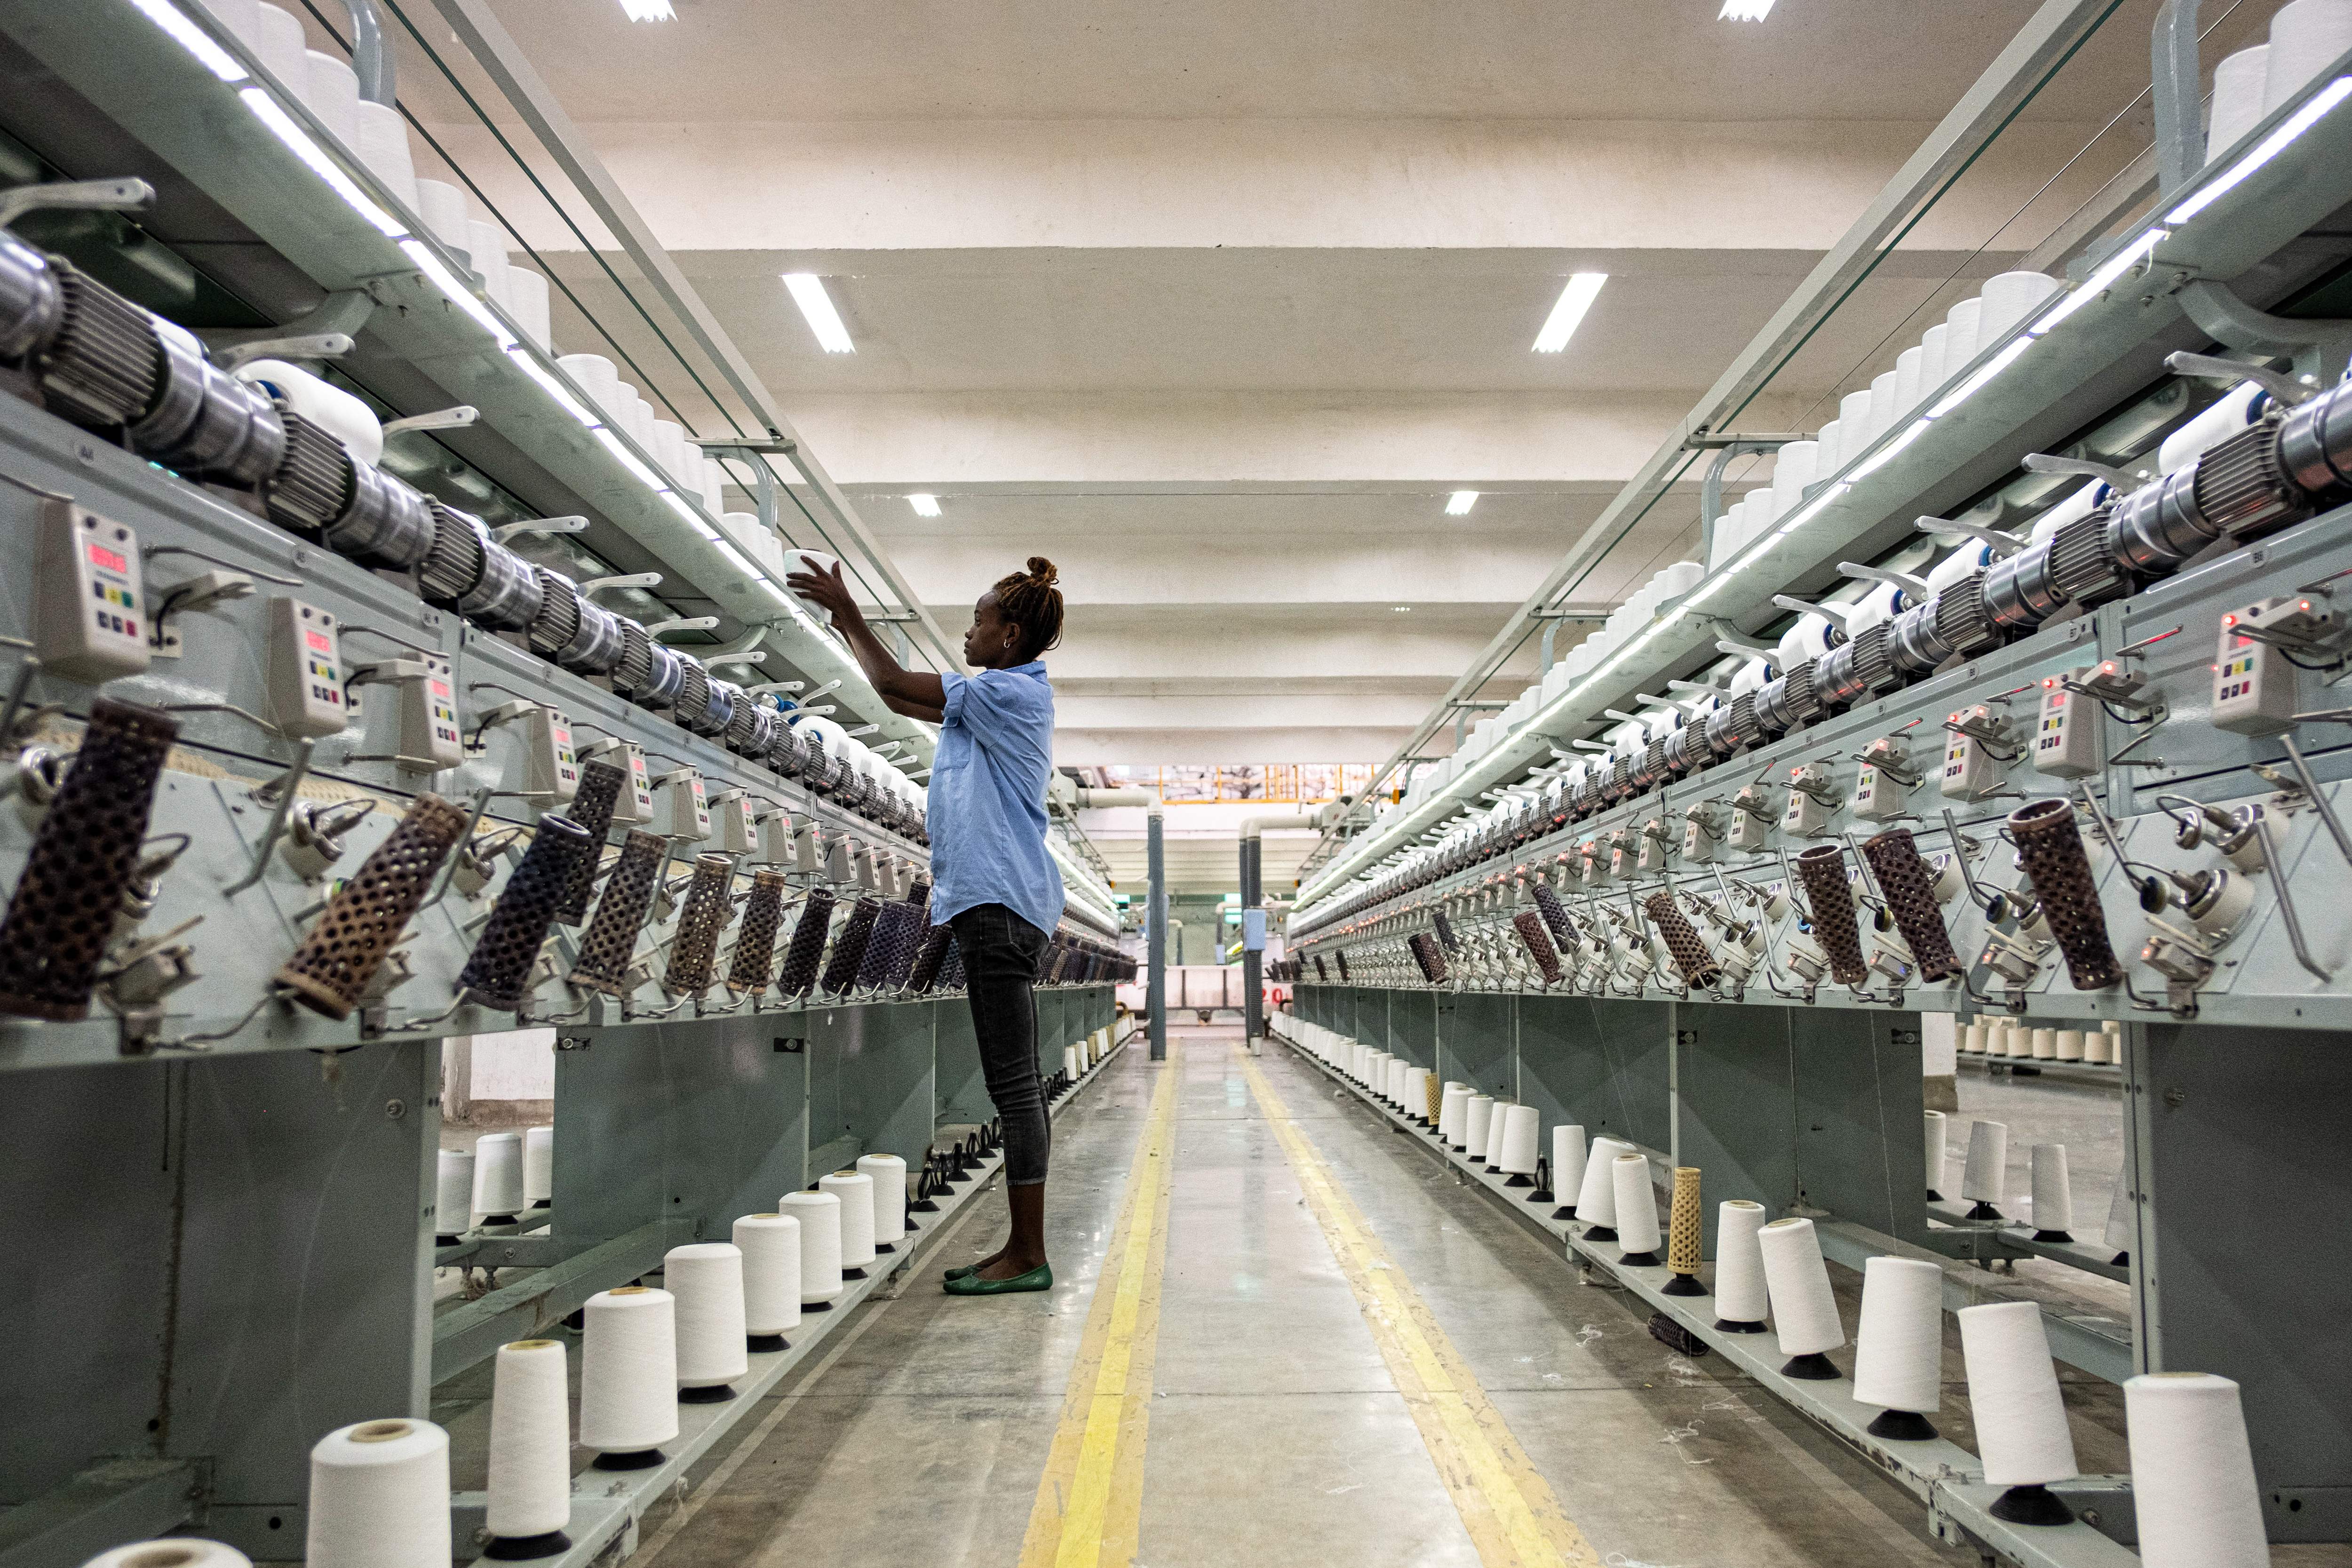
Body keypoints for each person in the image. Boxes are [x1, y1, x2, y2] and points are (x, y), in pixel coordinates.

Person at [787, 553, 1067, 1295]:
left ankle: (1027, 1252)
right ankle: (1024, 1247)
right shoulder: (993, 697)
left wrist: (846, 609)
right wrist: (849, 628)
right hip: (995, 903)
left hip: (1000, 904)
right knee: (1017, 1083)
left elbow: (890, 684)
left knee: (1014, 1085)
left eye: (977, 620)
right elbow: (904, 701)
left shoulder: (1008, 694)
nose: (967, 633)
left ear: (1008, 635)